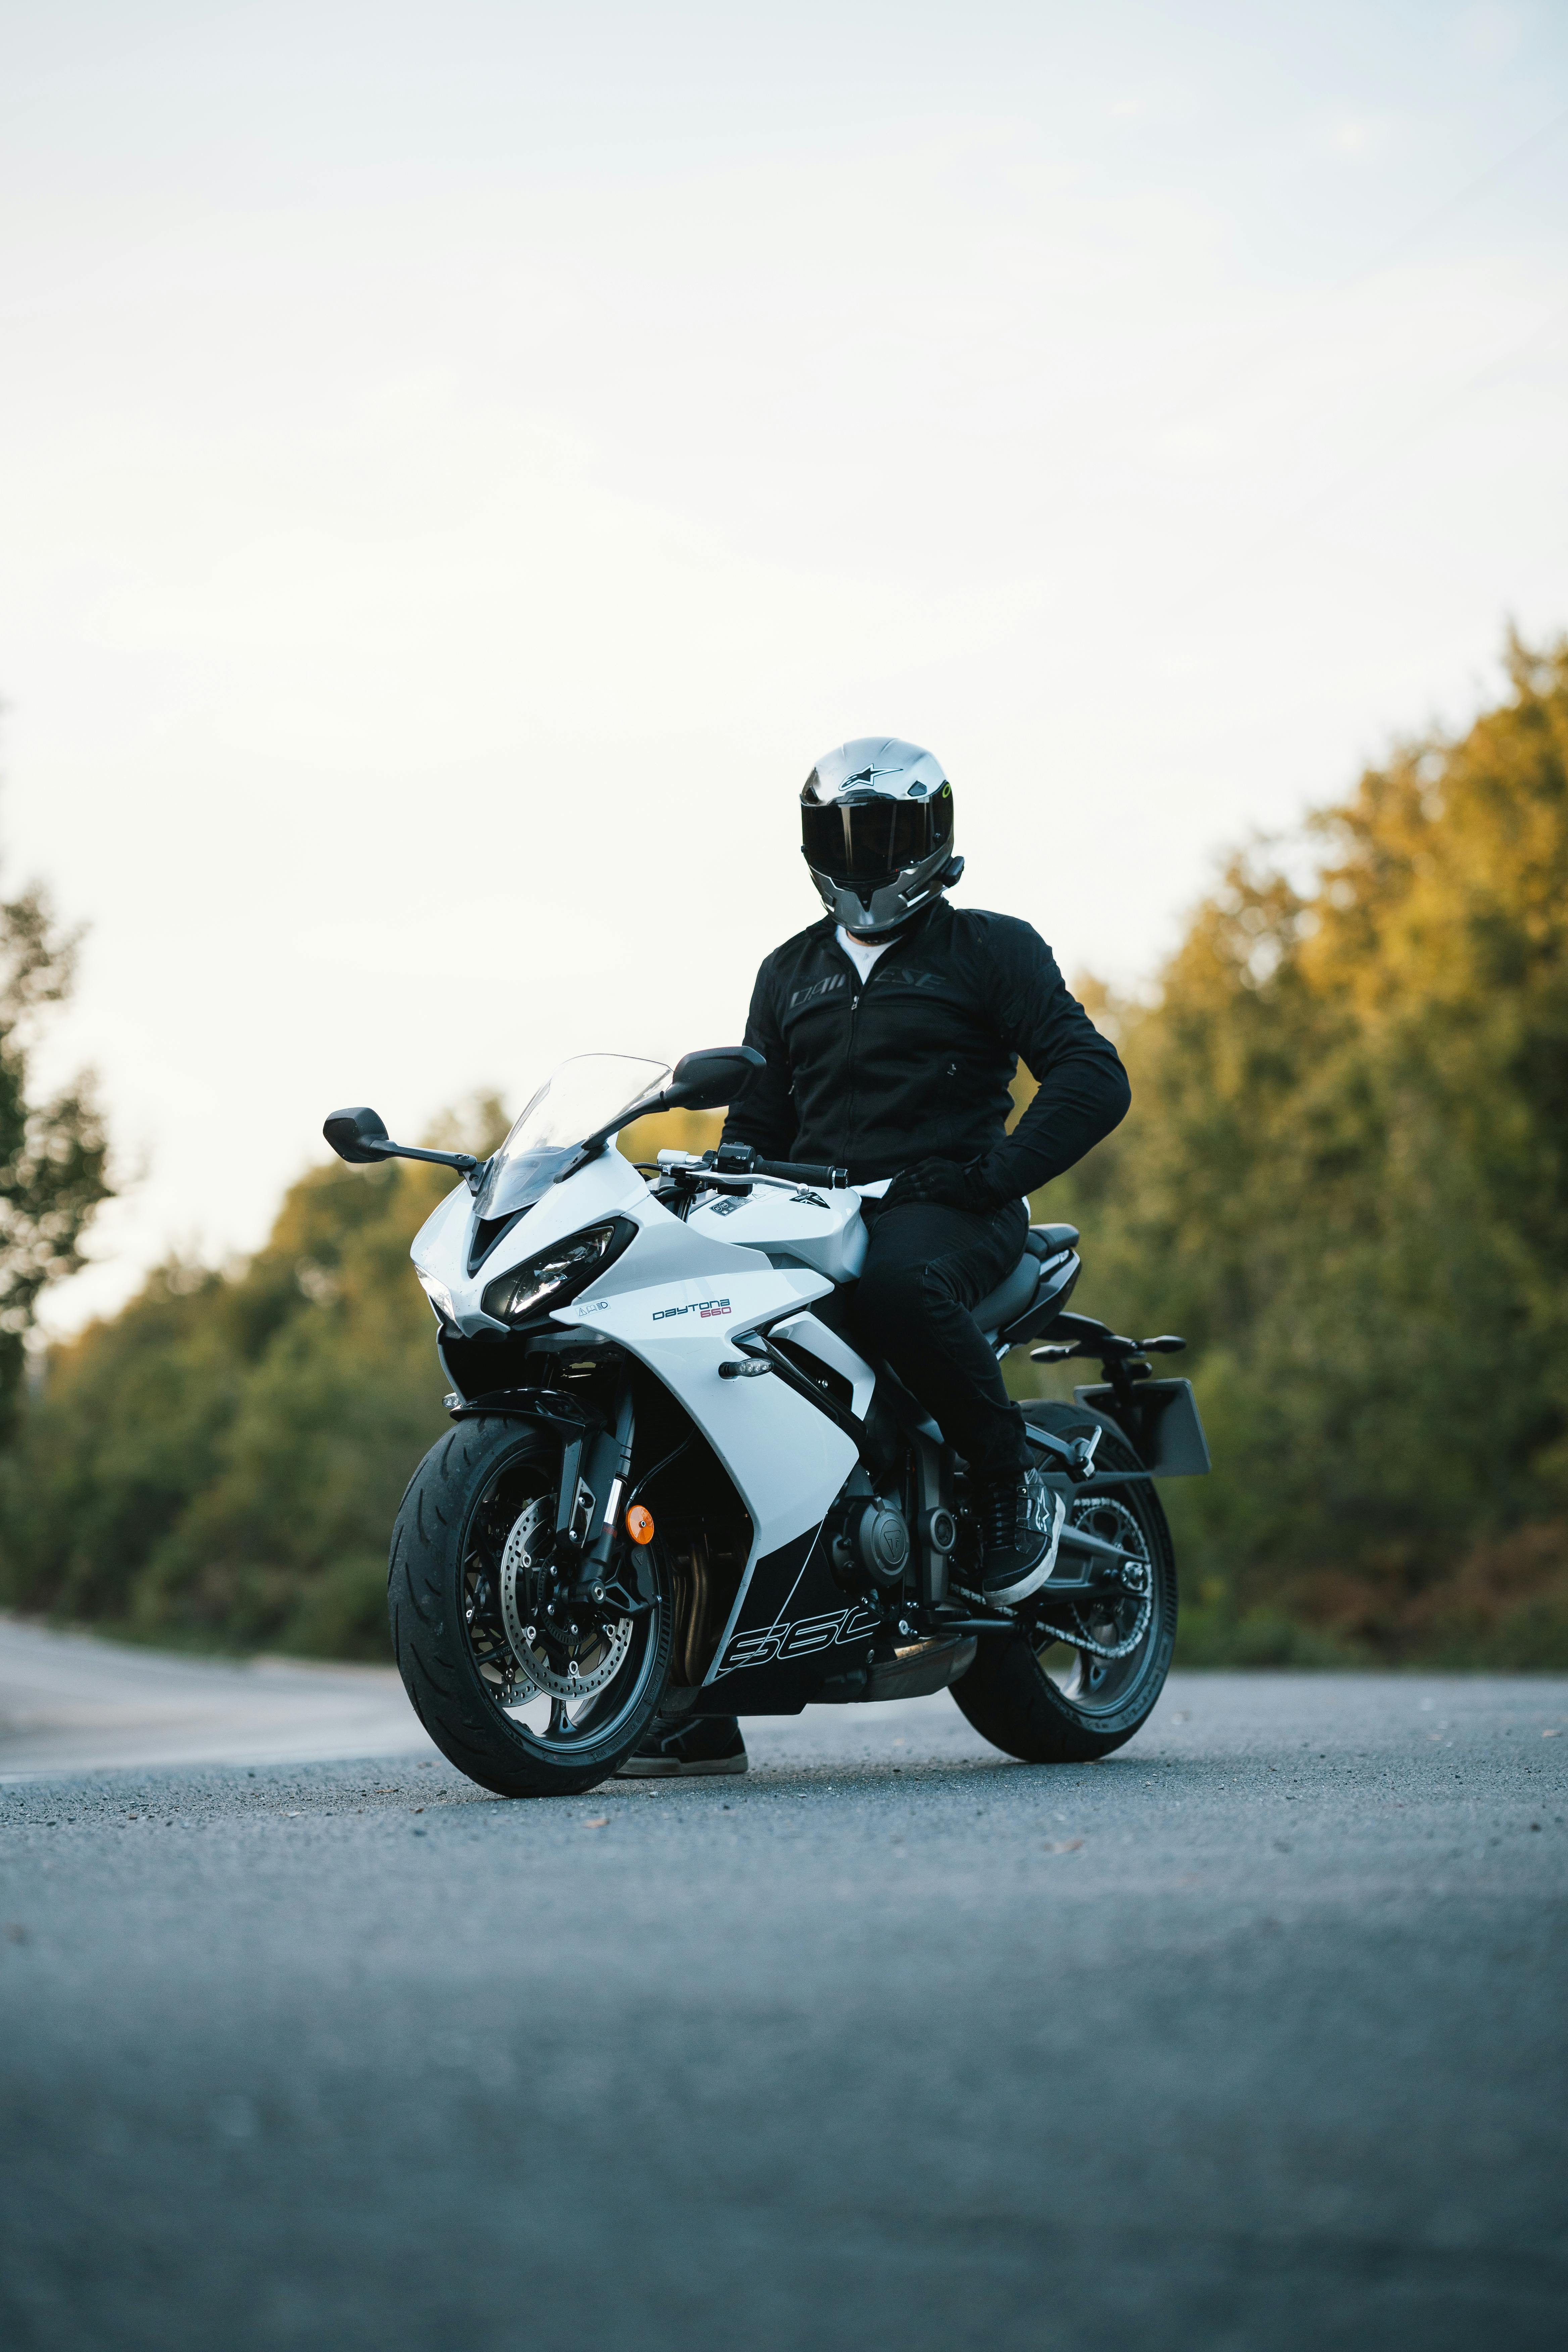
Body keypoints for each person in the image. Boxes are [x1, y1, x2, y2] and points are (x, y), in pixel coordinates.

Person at [619, 737, 1130, 1778]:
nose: (861, 855)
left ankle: (1002, 1488)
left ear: (933, 838)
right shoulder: (789, 971)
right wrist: (715, 1189)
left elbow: (1092, 1075)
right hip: (812, 1219)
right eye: (841, 833)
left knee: (900, 1282)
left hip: (953, 1209)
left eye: (885, 833)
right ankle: (692, 1697)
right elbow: (756, 1121)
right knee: (691, 1355)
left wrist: (991, 1176)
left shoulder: (991, 948)